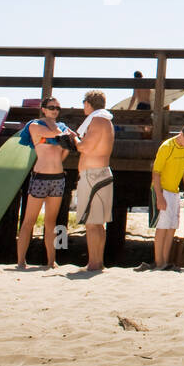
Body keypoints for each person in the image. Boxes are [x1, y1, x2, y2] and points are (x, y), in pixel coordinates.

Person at [16, 98, 72, 269]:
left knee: (51, 222)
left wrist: (62, 132)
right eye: (51, 107)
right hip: (40, 177)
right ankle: (20, 262)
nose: (55, 110)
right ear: (43, 109)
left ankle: (50, 262)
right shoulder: (35, 125)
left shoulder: (61, 128)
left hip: (57, 178)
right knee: (29, 221)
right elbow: (52, 134)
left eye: (58, 108)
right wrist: (56, 126)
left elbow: (66, 149)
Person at [72, 90, 115, 272]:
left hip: (93, 174)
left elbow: (85, 147)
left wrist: (72, 137)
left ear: (89, 103)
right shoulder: (107, 121)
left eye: (84, 103)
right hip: (101, 172)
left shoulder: (97, 120)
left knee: (92, 223)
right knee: (98, 222)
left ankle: (93, 263)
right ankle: (98, 262)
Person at [151, 121, 184, 269]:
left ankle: (165, 262)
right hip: (161, 190)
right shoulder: (167, 147)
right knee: (162, 227)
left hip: (175, 191)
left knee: (172, 227)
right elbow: (156, 173)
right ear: (181, 134)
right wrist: (159, 197)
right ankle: (158, 262)